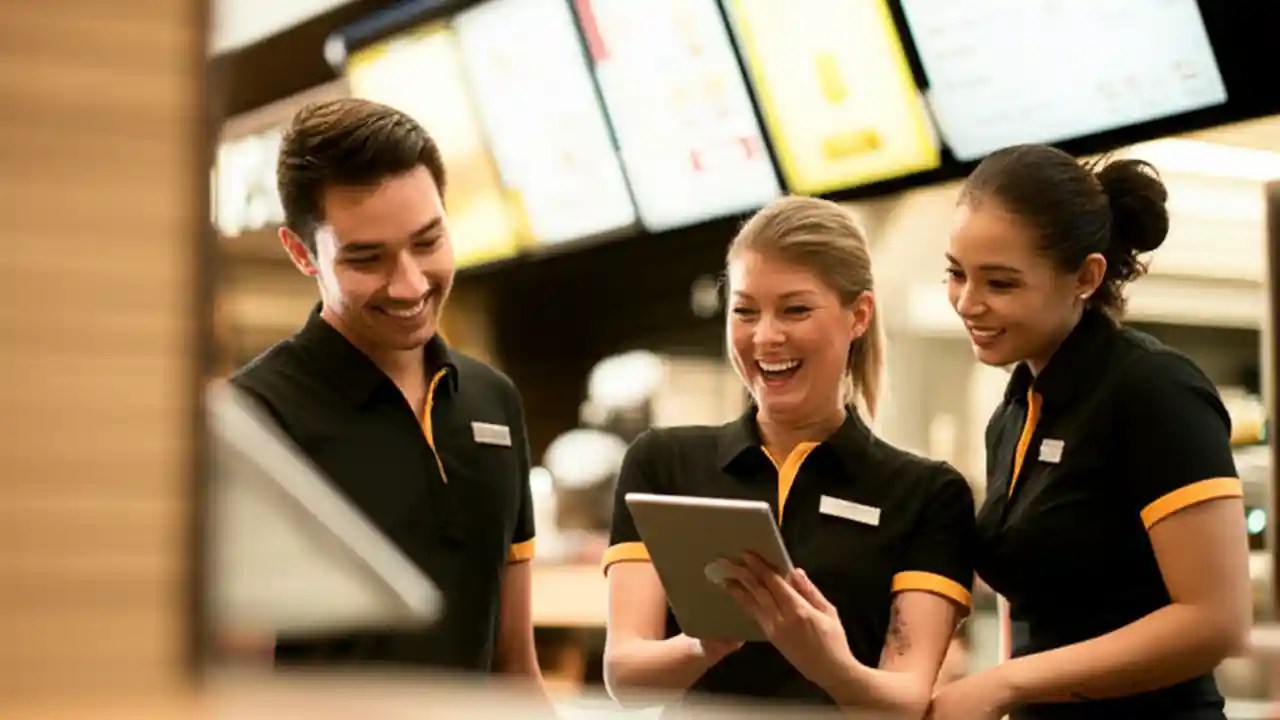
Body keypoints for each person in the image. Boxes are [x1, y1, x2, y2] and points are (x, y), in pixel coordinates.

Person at [602, 195, 976, 717]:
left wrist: (827, 662)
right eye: (745, 311)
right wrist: (705, 643)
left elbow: (905, 702)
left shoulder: (927, 495)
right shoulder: (662, 463)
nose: (766, 337)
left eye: (795, 309)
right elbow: (625, 675)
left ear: (859, 315)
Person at [930, 144, 1250, 719]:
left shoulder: (1153, 390)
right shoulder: (1015, 411)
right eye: (956, 274)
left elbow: (1215, 620)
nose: (966, 302)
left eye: (1000, 284)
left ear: (1085, 276)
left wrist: (1006, 684)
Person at [229, 98, 543, 683]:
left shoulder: (493, 401)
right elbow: (236, 695)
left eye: (428, 242)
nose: (410, 284)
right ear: (302, 253)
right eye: (367, 258)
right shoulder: (252, 420)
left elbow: (514, 667)